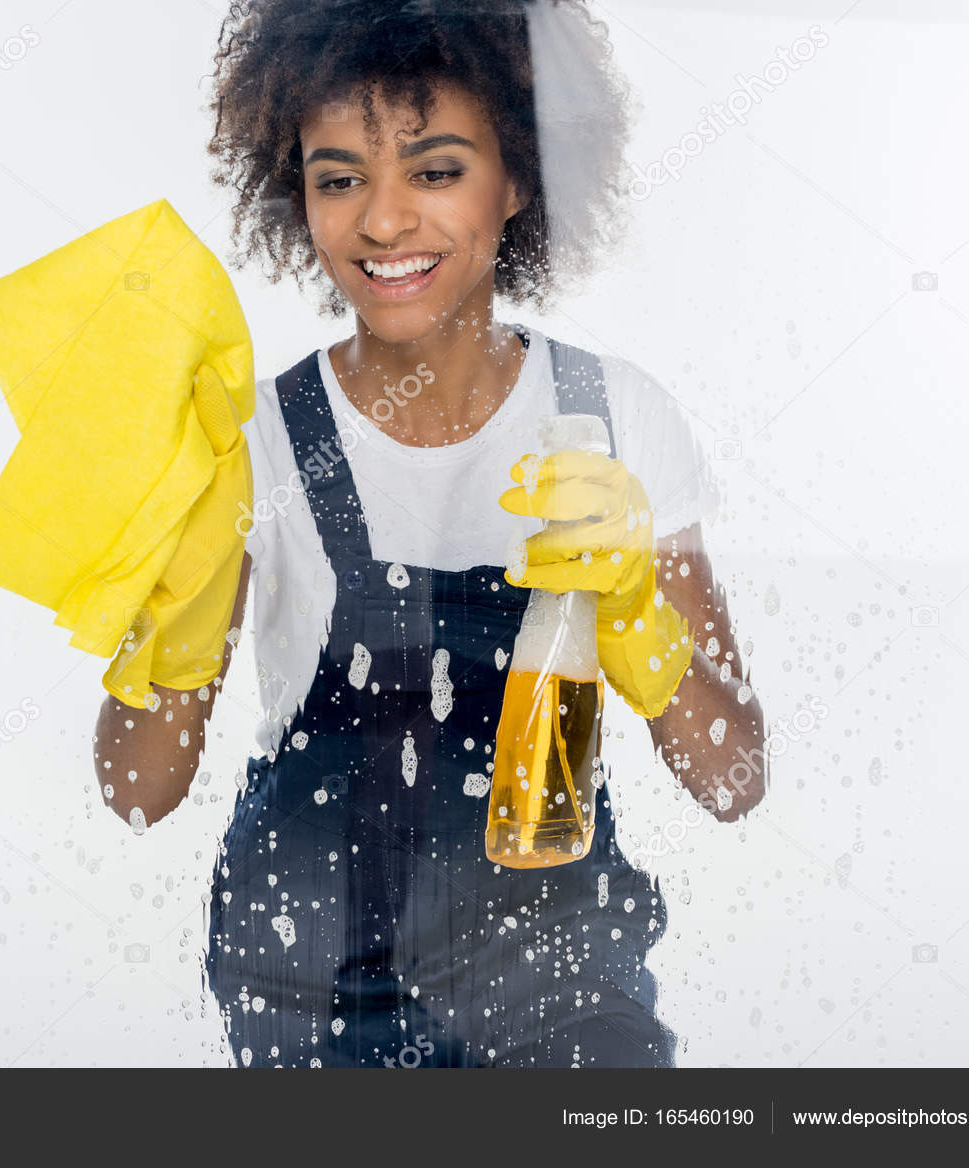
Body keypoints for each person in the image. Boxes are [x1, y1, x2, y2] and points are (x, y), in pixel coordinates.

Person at [93, 0, 766, 1068]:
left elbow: (733, 779)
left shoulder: (615, 415)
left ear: (518, 180)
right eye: (340, 177)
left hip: (561, 970)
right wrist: (175, 621)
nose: (384, 222)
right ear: (298, 195)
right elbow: (136, 791)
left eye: (437, 170)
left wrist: (638, 617)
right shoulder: (248, 443)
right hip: (302, 973)